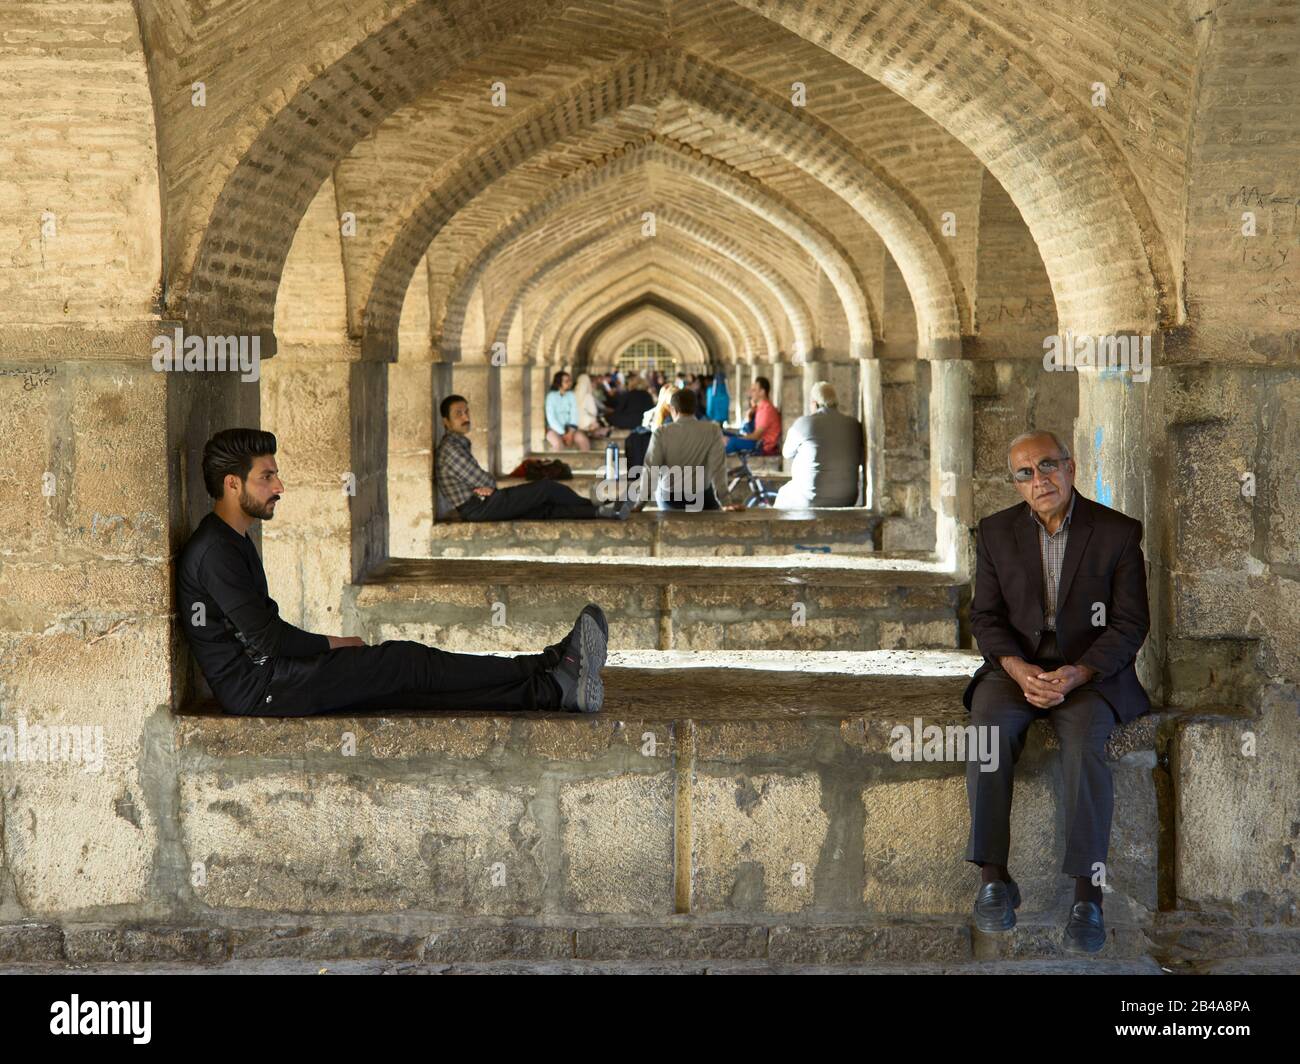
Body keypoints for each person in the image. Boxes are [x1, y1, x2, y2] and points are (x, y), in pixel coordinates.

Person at [178, 428, 610, 717]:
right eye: (266, 477)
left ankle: (552, 687)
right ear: (232, 485)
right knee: (406, 662)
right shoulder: (214, 551)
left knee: (410, 685)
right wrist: (335, 644)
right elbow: (267, 640)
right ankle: (547, 665)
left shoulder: (232, 539)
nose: (279, 487)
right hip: (263, 689)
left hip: (270, 678)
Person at [962, 429, 1150, 955]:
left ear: (1070, 467)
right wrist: (1019, 670)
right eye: (1025, 472)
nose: (1039, 479)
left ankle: (1088, 896)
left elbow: (1131, 624)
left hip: (1090, 675)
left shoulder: (1116, 533)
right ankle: (994, 880)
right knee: (989, 733)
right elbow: (985, 617)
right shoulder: (996, 533)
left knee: (1088, 739)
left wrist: (1079, 673)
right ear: (1016, 484)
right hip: (1015, 672)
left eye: (1047, 466)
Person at [437, 394, 629, 521]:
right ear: (446, 421)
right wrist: (483, 485)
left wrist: (483, 485)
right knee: (545, 488)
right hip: (478, 509)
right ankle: (598, 505)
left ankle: (601, 512)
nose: (465, 417)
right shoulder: (451, 449)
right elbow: (484, 480)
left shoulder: (458, 444)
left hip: (482, 504)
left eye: (467, 411)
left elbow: (482, 481)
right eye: (458, 414)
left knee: (543, 509)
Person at [774, 381, 864, 509]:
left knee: (783, 493)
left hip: (811, 498)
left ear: (814, 403)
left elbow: (787, 453)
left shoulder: (805, 423)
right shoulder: (854, 424)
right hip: (849, 498)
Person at [639, 388, 726, 510]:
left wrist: (639, 504)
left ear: (673, 410)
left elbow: (651, 468)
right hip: (701, 496)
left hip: (670, 498)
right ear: (694, 408)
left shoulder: (661, 432)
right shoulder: (713, 430)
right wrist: (726, 502)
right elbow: (718, 468)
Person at [725, 376, 781, 455]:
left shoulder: (767, 410)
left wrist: (735, 438)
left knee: (731, 442)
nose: (750, 393)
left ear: (762, 392)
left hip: (762, 446)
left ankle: (704, 466)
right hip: (756, 441)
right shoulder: (759, 408)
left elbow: (756, 436)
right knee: (722, 433)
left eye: (754, 390)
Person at [544, 371, 589, 451]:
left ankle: (585, 462)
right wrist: (563, 433)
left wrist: (570, 432)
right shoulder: (551, 396)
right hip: (554, 429)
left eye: (570, 380)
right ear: (559, 382)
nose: (569, 383)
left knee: (583, 441)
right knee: (558, 444)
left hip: (570, 429)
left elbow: (574, 414)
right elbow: (551, 418)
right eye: (566, 381)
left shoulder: (571, 395)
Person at [573, 373, 611, 438]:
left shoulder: (572, 394)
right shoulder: (588, 396)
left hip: (576, 424)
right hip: (588, 424)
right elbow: (595, 411)